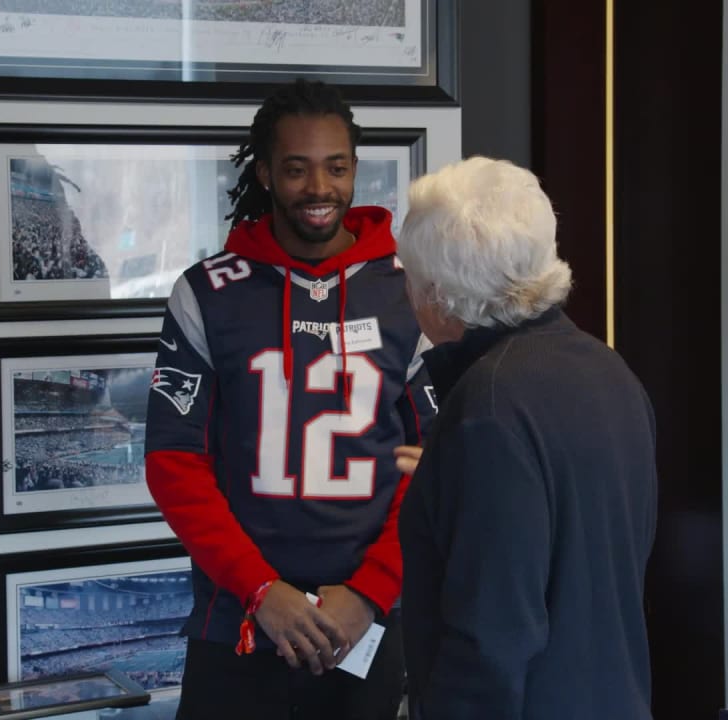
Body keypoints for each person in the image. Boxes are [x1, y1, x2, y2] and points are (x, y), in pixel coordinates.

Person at [144, 78, 434, 720]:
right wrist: (259, 590)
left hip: (367, 626)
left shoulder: (410, 291)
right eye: (297, 169)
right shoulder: (208, 293)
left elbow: (431, 466)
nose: (320, 188)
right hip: (238, 624)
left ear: (356, 169)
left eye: (336, 167)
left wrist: (370, 592)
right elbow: (173, 461)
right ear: (268, 174)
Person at [393, 157, 659, 720]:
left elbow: (490, 638)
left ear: (438, 294)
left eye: (409, 274)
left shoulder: (489, 407)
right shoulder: (609, 372)